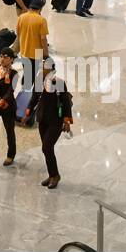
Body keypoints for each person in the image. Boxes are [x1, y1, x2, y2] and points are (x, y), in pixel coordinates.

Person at [25, 57, 73, 189]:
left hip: (55, 121)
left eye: (44, 66)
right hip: (42, 119)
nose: (41, 68)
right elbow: (34, 97)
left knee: (46, 147)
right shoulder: (39, 81)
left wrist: (67, 121)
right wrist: (28, 109)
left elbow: (66, 103)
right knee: (47, 149)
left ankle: (55, 175)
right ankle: (52, 175)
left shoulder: (59, 83)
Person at [16, 0, 49, 126]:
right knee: (34, 78)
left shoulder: (21, 17)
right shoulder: (41, 20)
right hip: (36, 53)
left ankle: (23, 99)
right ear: (40, 8)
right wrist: (46, 54)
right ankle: (28, 105)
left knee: (28, 75)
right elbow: (43, 39)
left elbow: (18, 34)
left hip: (24, 51)